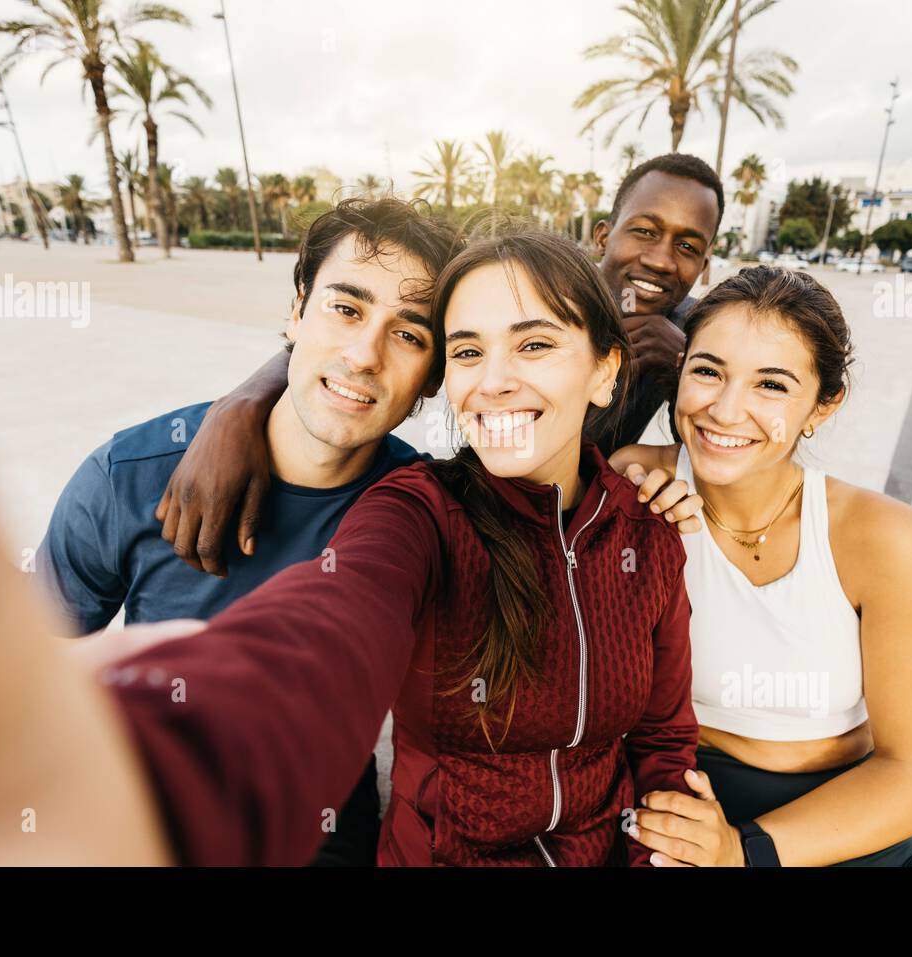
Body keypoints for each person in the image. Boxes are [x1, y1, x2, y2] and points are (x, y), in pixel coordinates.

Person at [110, 230, 704, 866]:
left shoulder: (647, 527)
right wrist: (183, 742)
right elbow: (337, 615)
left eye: (534, 344)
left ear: (604, 371)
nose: (495, 381)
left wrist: (661, 854)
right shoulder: (417, 511)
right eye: (469, 352)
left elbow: (663, 737)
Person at [35, 198, 459, 865]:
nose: (364, 354)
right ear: (296, 312)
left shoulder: (428, 513)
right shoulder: (129, 475)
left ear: (432, 376)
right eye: (345, 309)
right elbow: (31, 671)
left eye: (409, 334)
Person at [152, 153, 725, 577]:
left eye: (688, 246)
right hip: (490, 513)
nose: (658, 258)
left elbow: (729, 428)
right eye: (644, 232)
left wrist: (662, 430)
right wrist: (236, 409)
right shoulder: (542, 285)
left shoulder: (692, 335)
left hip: (585, 524)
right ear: (604, 234)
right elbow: (359, 330)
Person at [610, 266, 912, 867]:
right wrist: (629, 531)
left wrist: (744, 852)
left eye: (770, 385)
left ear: (823, 405)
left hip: (842, 820)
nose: (725, 409)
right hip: (681, 803)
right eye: (708, 371)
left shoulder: (888, 538)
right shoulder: (636, 483)